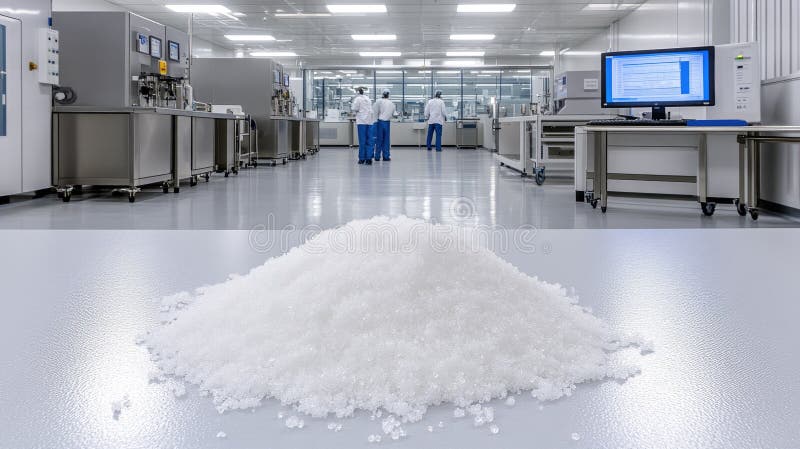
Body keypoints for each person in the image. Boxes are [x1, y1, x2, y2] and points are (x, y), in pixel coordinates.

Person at [351, 87, 374, 164]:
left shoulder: (357, 99)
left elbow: (354, 108)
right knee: (369, 140)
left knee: (362, 141)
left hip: (362, 122)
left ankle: (362, 158)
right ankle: (369, 158)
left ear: (357, 92)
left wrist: (355, 111)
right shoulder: (368, 99)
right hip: (370, 121)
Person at [372, 89, 396, 161]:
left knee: (379, 140)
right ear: (389, 94)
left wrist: (374, 122)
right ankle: (386, 156)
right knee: (386, 140)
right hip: (387, 123)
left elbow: (374, 112)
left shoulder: (378, 101)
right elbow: (394, 114)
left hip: (379, 122)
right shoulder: (392, 103)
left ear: (382, 94)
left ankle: (377, 156)